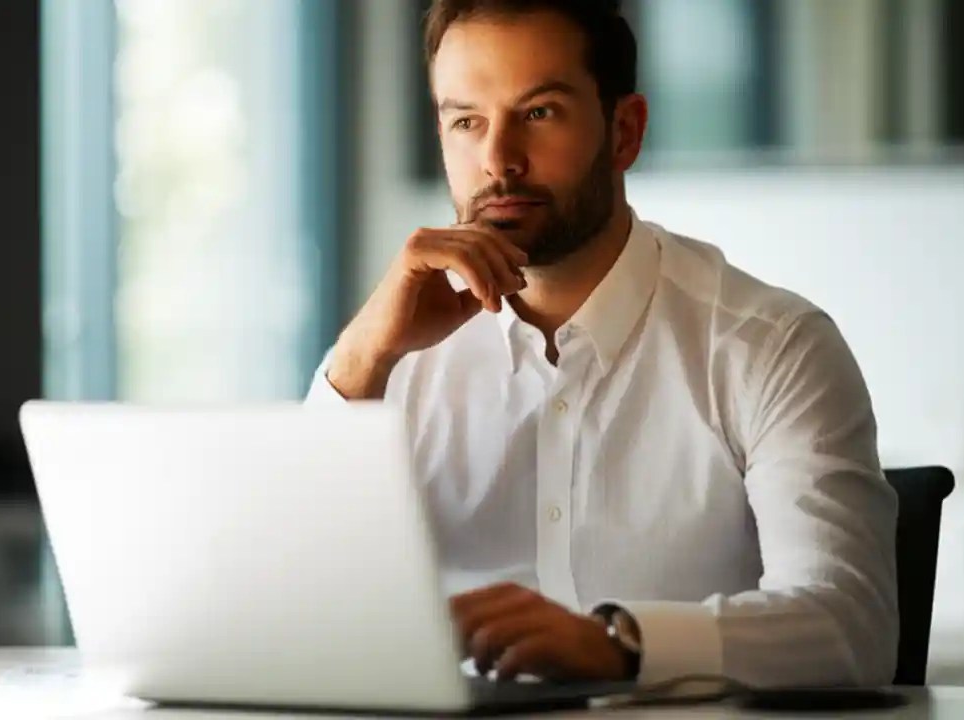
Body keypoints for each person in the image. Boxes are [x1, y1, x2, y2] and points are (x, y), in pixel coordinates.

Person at [305, 0, 898, 689]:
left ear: (624, 132)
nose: (498, 160)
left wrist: (623, 645)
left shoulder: (772, 348)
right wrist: (358, 362)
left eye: (538, 113)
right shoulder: (390, 357)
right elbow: (288, 602)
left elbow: (851, 627)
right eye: (466, 121)